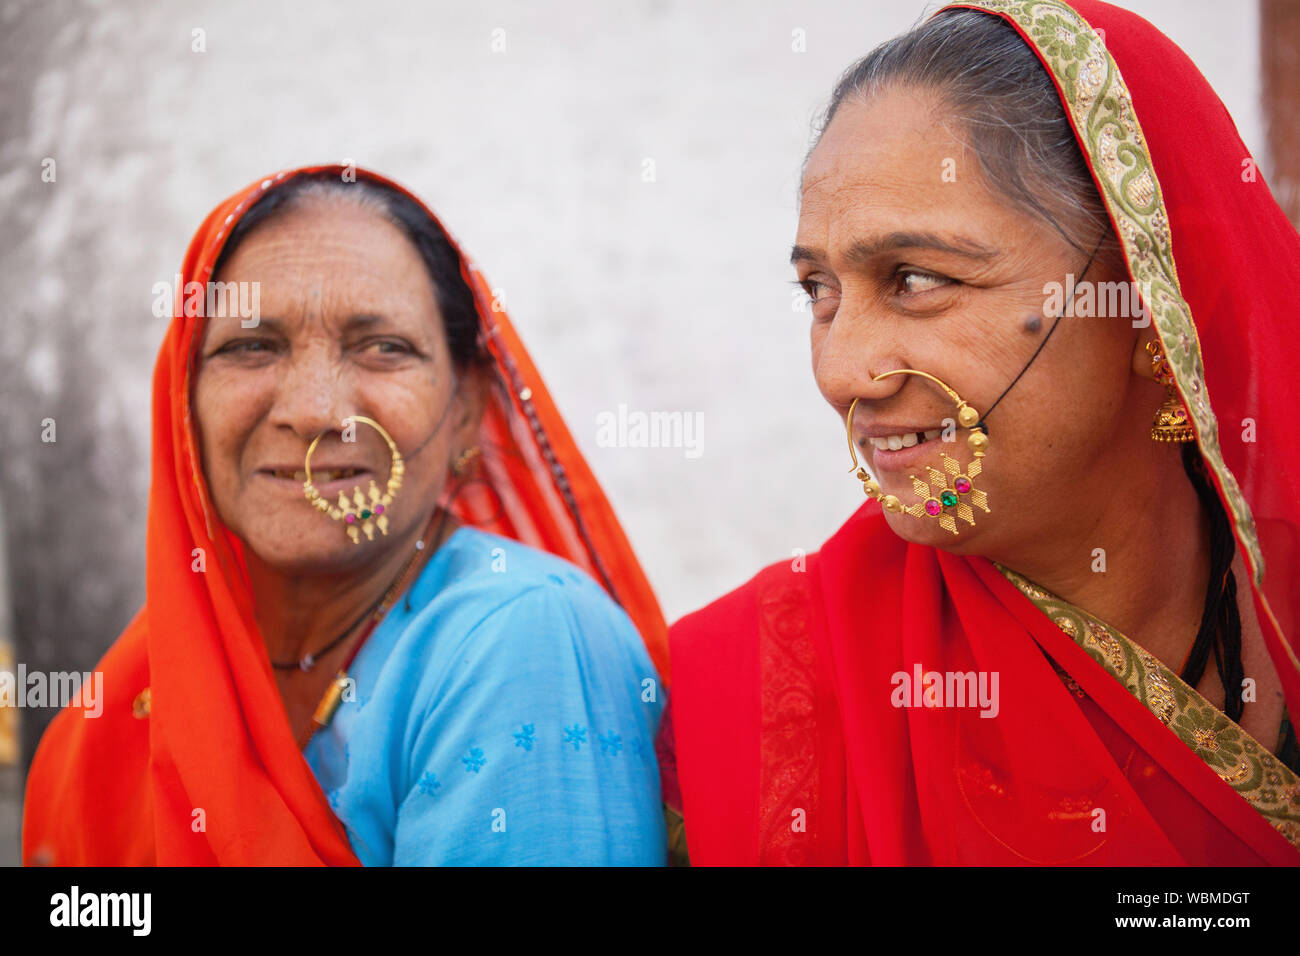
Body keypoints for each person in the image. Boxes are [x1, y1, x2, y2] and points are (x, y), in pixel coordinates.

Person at [662, 0, 1300, 865]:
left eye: (917, 278)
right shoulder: (745, 691)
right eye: (820, 291)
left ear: (1149, 310)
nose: (843, 373)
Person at [23, 165, 670, 866]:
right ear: (184, 402)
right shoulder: (145, 681)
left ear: (464, 411)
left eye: (383, 347)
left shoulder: (518, 638)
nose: (314, 410)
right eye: (252, 346)